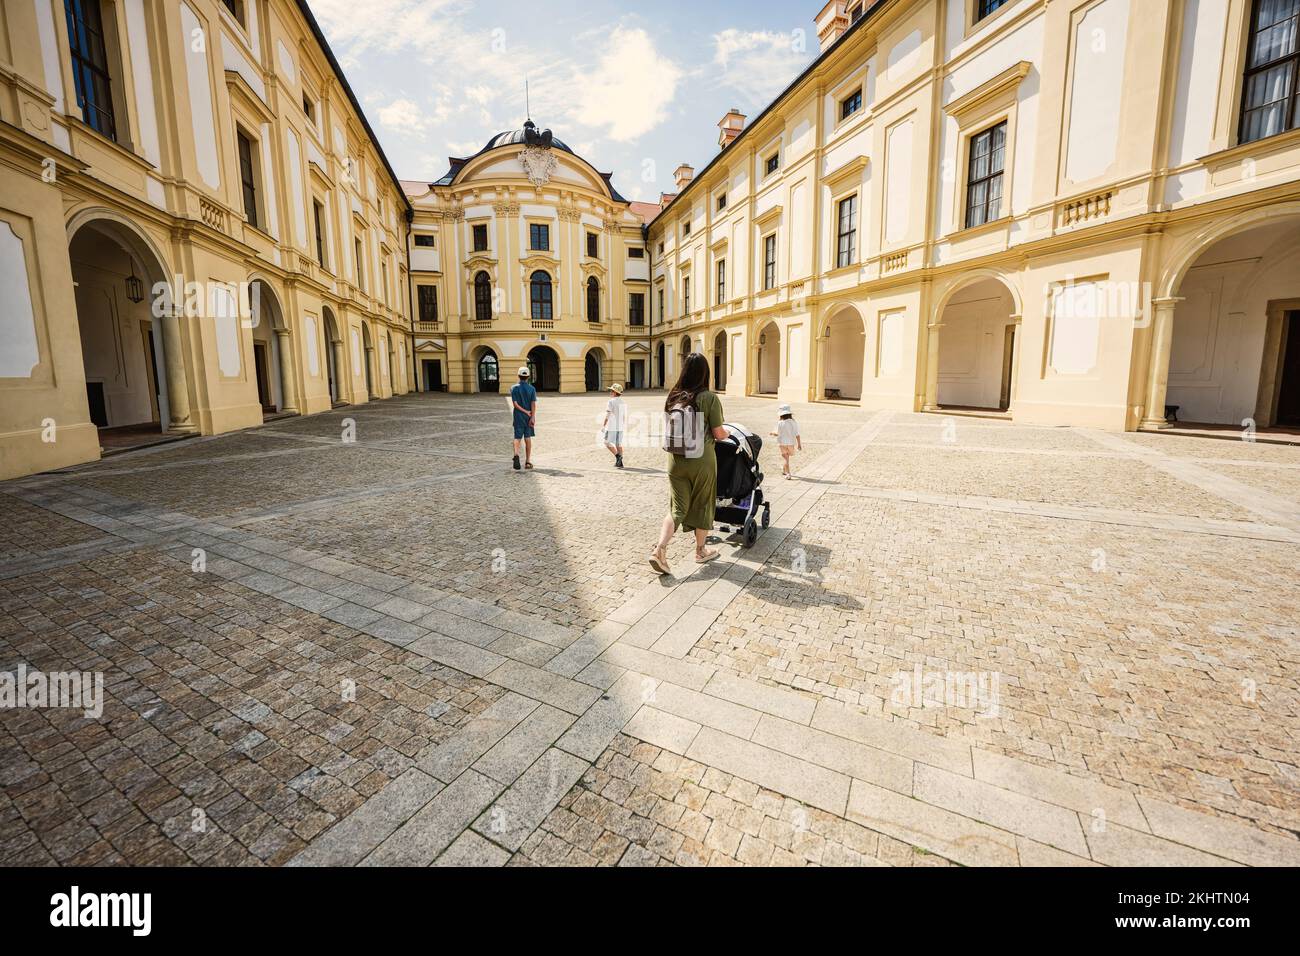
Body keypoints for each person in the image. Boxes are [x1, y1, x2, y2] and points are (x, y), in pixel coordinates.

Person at [649, 352, 729, 574]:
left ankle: (659, 550)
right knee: (704, 503)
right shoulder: (708, 398)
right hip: (701, 460)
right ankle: (700, 551)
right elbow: (719, 433)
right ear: (705, 373)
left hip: (675, 460)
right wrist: (727, 431)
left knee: (677, 508)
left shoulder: (673, 396)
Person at [510, 367, 537, 471]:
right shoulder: (532, 389)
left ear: (518, 376)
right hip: (528, 416)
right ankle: (528, 461)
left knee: (517, 437)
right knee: (527, 438)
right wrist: (532, 416)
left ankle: (516, 454)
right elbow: (533, 404)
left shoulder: (513, 388)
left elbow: (515, 404)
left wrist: (523, 411)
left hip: (518, 416)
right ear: (528, 376)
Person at [771, 403, 802, 479]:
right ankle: (785, 471)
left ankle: (787, 473)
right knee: (787, 457)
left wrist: (772, 433)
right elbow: (797, 434)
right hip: (791, 443)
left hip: (782, 443)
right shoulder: (794, 422)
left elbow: (777, 434)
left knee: (786, 458)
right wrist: (799, 444)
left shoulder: (780, 423)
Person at [602, 383, 627, 468]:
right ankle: (620, 462)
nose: (610, 392)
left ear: (615, 392)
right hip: (620, 426)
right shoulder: (623, 402)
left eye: (611, 391)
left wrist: (604, 424)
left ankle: (618, 456)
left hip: (612, 426)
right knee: (618, 444)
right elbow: (623, 416)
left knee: (606, 442)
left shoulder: (611, 402)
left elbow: (608, 414)